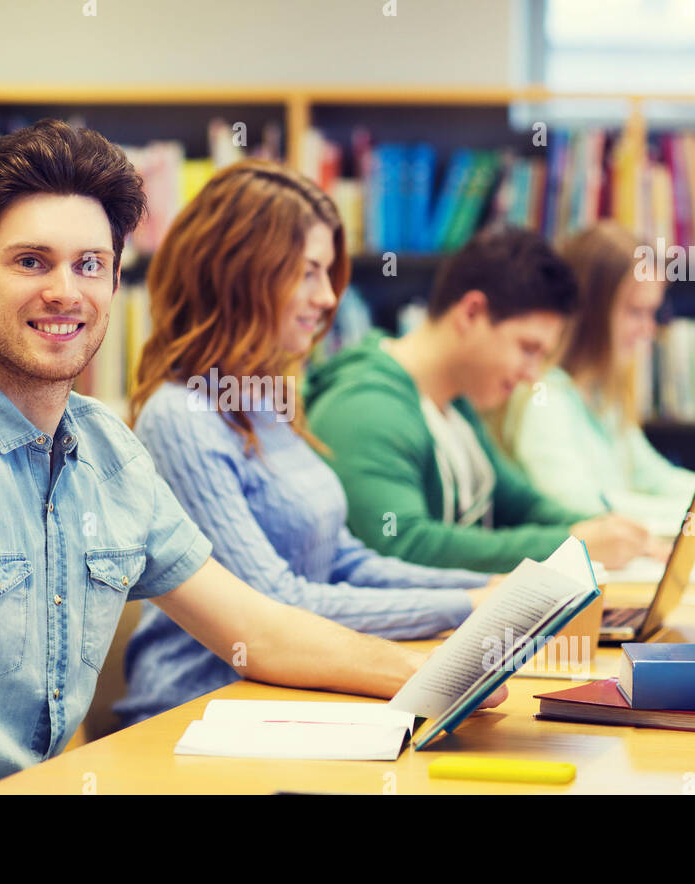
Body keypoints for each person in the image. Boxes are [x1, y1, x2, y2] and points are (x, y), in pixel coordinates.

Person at [0, 122, 504, 795]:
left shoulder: (109, 452)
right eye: (32, 262)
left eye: (89, 265)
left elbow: (263, 630)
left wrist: (434, 675)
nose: (65, 291)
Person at [115, 160, 498, 728]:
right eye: (309, 272)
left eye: (329, 274)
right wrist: (465, 607)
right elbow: (275, 602)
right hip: (195, 713)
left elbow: (344, 562)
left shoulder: (268, 402)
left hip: (292, 694)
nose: (328, 298)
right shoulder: (181, 417)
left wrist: (490, 589)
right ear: (240, 273)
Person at [305, 227, 654, 573]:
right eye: (527, 349)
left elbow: (519, 504)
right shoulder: (366, 407)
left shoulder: (453, 402)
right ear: (471, 313)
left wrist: (607, 530)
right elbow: (401, 545)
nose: (532, 375)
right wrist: (569, 545)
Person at [500, 221, 695, 523]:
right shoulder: (545, 398)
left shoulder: (600, 396)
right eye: (635, 311)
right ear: (590, 312)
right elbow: (581, 505)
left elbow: (654, 478)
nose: (648, 330)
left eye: (652, 312)